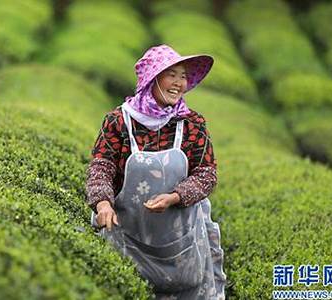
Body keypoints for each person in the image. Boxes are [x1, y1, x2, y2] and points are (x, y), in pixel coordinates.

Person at [85, 44, 226, 299]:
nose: (179, 83)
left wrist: (175, 197)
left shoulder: (192, 124)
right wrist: (102, 202)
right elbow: (101, 165)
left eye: (183, 76)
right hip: (127, 234)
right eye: (171, 74)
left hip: (182, 239)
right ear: (152, 77)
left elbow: (206, 172)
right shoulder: (119, 121)